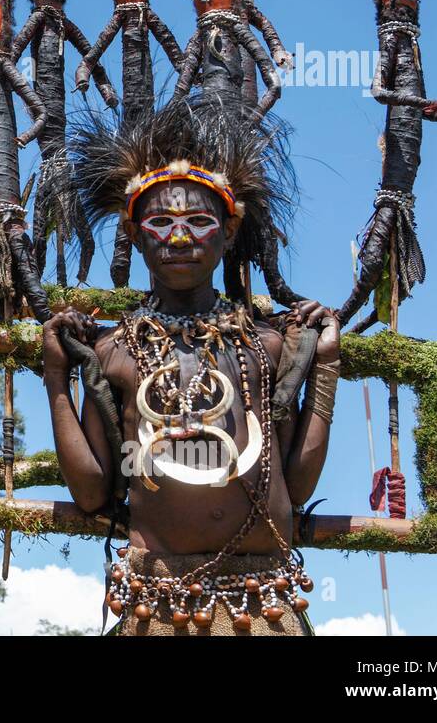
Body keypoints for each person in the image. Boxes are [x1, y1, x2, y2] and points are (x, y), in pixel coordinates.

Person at [43, 103, 339, 635]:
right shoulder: (114, 352)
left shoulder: (267, 346)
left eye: (199, 222)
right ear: (133, 235)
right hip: (157, 607)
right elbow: (91, 493)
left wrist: (327, 368)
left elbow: (292, 487)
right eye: (160, 222)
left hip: (263, 602)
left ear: (229, 233)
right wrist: (57, 381)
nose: (179, 238)